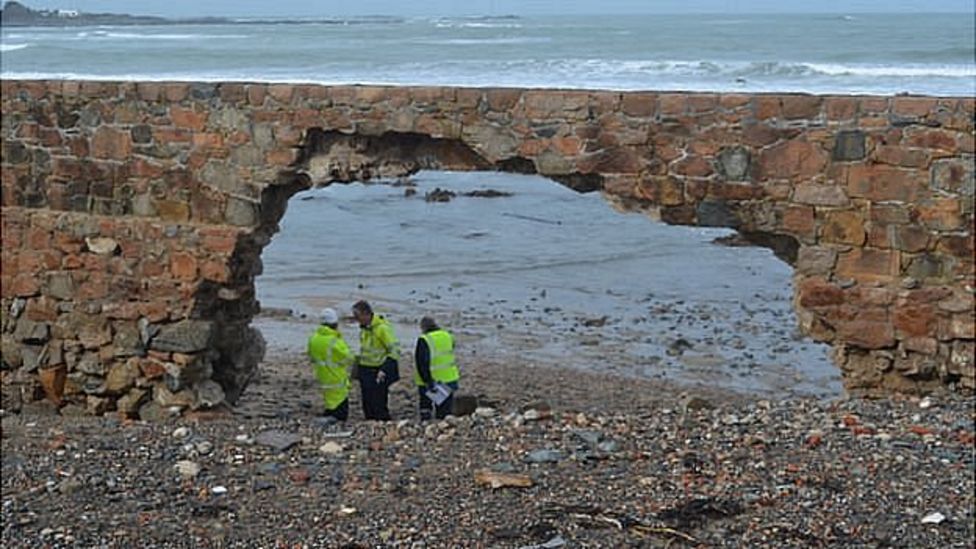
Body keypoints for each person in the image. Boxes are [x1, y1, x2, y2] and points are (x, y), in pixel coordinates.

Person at [352, 300, 399, 420]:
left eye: (358, 316)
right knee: (367, 403)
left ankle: (383, 423)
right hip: (365, 369)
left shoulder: (382, 329)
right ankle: (370, 422)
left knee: (378, 403)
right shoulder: (364, 329)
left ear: (366, 313)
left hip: (378, 370)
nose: (356, 319)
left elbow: (394, 350)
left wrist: (384, 369)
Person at [307, 307, 353, 421]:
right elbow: (348, 358)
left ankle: (328, 415)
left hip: (323, 377)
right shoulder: (335, 341)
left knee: (329, 402)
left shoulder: (313, 339)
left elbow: (312, 357)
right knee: (340, 409)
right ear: (335, 323)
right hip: (337, 379)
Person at [414, 316, 460, 421]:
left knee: (426, 408)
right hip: (449, 378)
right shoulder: (448, 336)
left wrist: (427, 381)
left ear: (423, 328)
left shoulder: (424, 340)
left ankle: (426, 425)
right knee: (445, 410)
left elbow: (421, 363)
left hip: (431, 381)